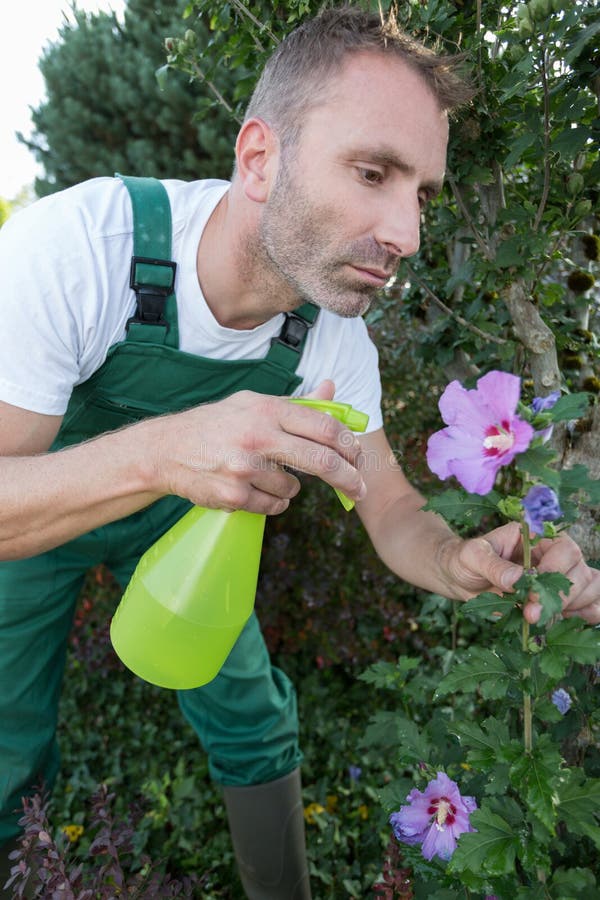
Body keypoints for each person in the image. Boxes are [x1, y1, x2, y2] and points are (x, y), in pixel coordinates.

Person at [1, 6, 598, 898]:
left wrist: (458, 556)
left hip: (181, 534)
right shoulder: (82, 251)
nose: (407, 235)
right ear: (259, 158)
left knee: (251, 713)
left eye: (421, 194)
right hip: (37, 520)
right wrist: (166, 450)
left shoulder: (328, 345)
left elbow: (390, 505)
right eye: (372, 172)